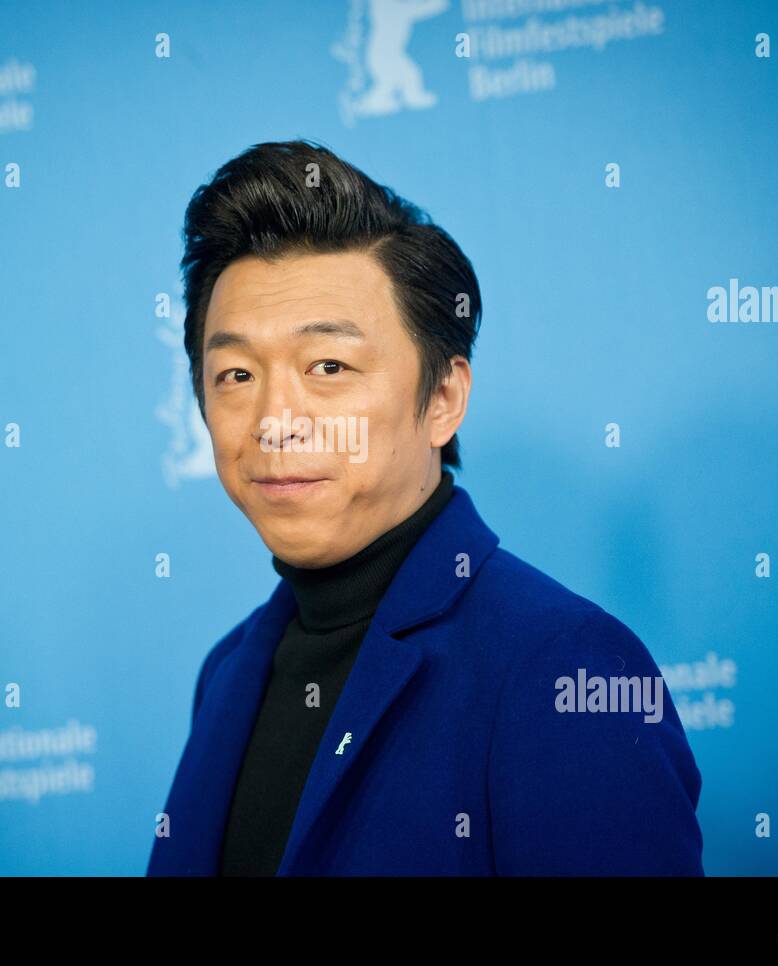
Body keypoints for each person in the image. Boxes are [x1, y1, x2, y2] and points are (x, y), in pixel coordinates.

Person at [147, 139, 703, 876]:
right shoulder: (228, 672)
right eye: (236, 373)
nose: (275, 419)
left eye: (329, 367)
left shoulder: (560, 670)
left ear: (443, 398)